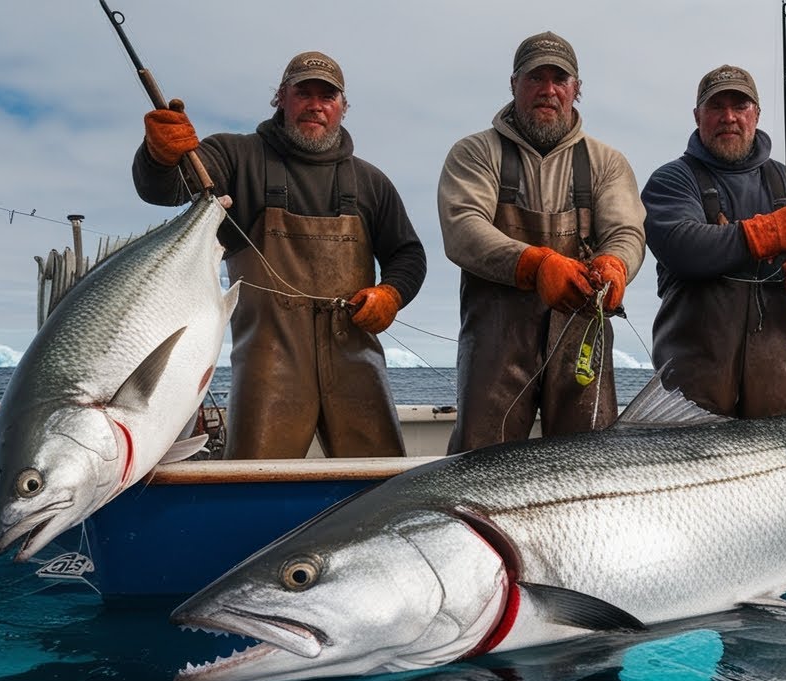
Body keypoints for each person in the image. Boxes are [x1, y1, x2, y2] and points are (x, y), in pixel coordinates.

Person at [133, 51, 427, 459]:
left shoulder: (371, 182)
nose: (315, 105)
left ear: (343, 107)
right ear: (280, 99)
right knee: (252, 483)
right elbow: (165, 189)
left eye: (327, 96)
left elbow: (408, 255)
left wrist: (392, 294)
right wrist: (159, 157)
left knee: (381, 483)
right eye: (302, 92)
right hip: (267, 368)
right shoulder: (236, 157)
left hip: (357, 362)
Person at [438, 31, 646, 453]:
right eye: (535, 78)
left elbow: (626, 233)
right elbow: (462, 227)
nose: (547, 90)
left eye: (559, 79)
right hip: (494, 341)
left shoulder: (606, 162)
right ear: (514, 84)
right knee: (482, 462)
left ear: (576, 90)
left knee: (587, 465)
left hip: (581, 339)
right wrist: (535, 265)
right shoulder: (475, 153)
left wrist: (616, 264)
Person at [641, 64, 786, 418]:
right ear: (697, 116)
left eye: (740, 107)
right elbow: (680, 246)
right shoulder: (672, 179)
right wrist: (761, 235)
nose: (729, 117)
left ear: (757, 114)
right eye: (716, 107)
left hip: (779, 395)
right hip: (685, 403)